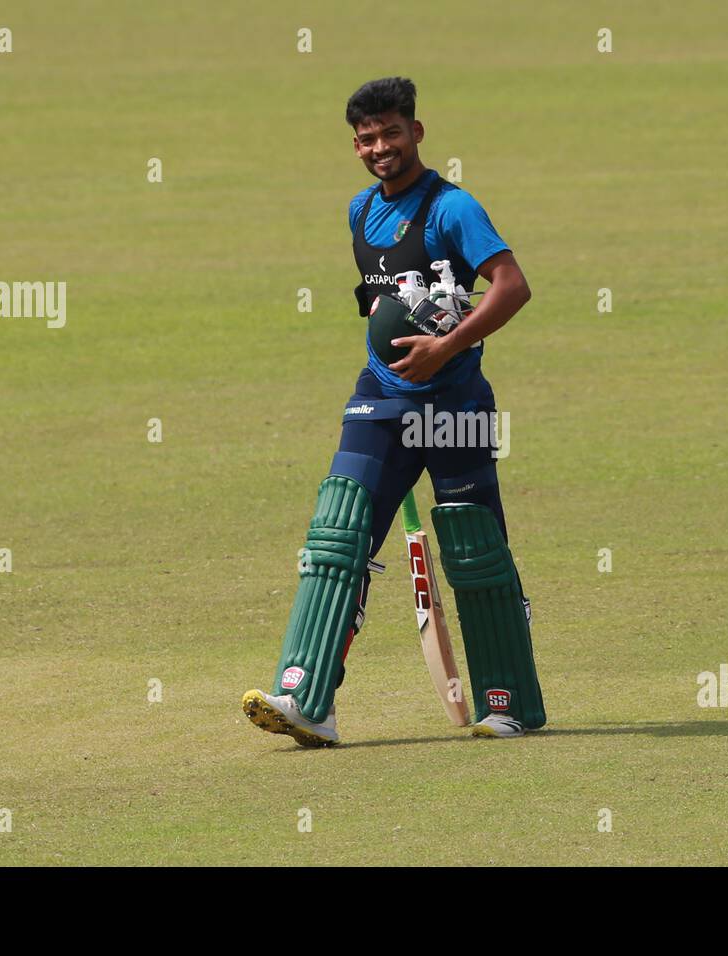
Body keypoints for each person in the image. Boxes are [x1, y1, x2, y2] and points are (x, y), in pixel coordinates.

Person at [242, 77, 545, 746]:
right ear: (356, 144)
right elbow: (383, 310)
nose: (382, 146)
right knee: (337, 531)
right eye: (368, 137)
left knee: (474, 549)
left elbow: (512, 287)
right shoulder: (358, 211)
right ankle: (305, 700)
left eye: (392, 132)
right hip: (380, 399)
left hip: (455, 401)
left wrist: (447, 348)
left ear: (417, 131)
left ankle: (508, 702)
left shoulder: (453, 207)